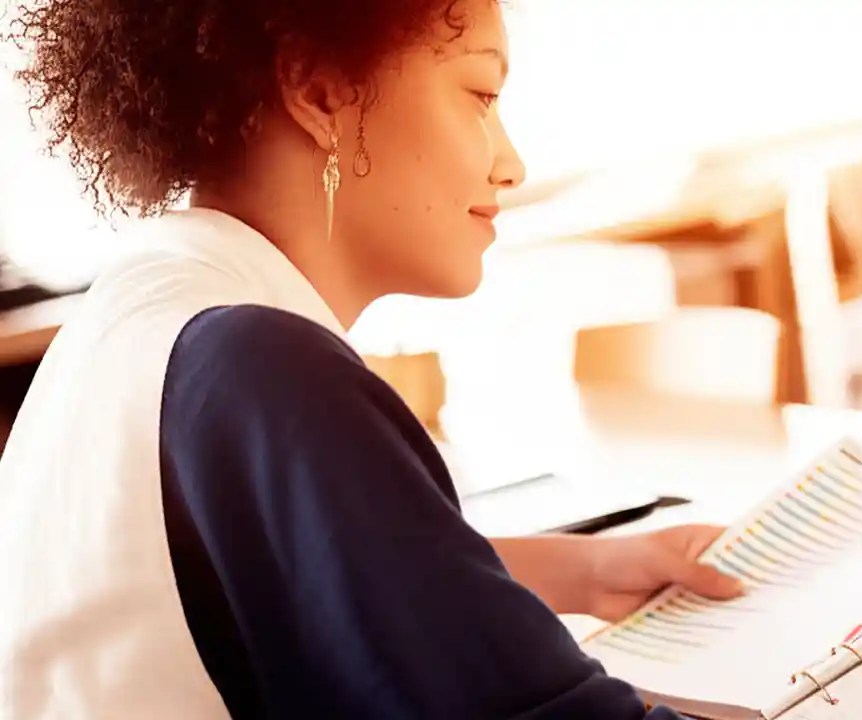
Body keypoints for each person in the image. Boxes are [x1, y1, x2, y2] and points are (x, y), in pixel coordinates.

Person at [0, 0, 743, 717]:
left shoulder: (142, 315)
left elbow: (307, 581)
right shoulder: (264, 369)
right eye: (480, 94)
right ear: (322, 92)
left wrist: (586, 569)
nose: (511, 164)